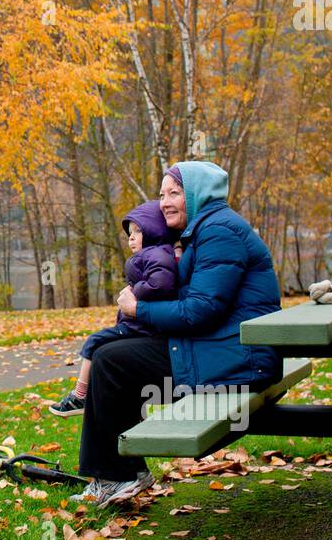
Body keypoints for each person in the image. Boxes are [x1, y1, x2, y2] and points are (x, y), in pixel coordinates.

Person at [71, 160, 281, 509]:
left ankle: (118, 475)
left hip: (241, 359)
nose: (165, 202)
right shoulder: (206, 230)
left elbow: (201, 309)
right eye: (161, 194)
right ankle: (119, 474)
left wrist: (138, 310)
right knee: (114, 350)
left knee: (111, 362)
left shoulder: (219, 232)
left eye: (175, 193)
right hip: (224, 348)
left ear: (198, 194)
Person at [49, 200, 178, 417]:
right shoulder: (153, 254)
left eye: (138, 231)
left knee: (94, 342)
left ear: (154, 230)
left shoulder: (156, 254)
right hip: (137, 323)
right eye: (129, 232)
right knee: (102, 349)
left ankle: (80, 395)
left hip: (141, 326)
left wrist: (134, 292)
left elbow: (161, 283)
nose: (131, 237)